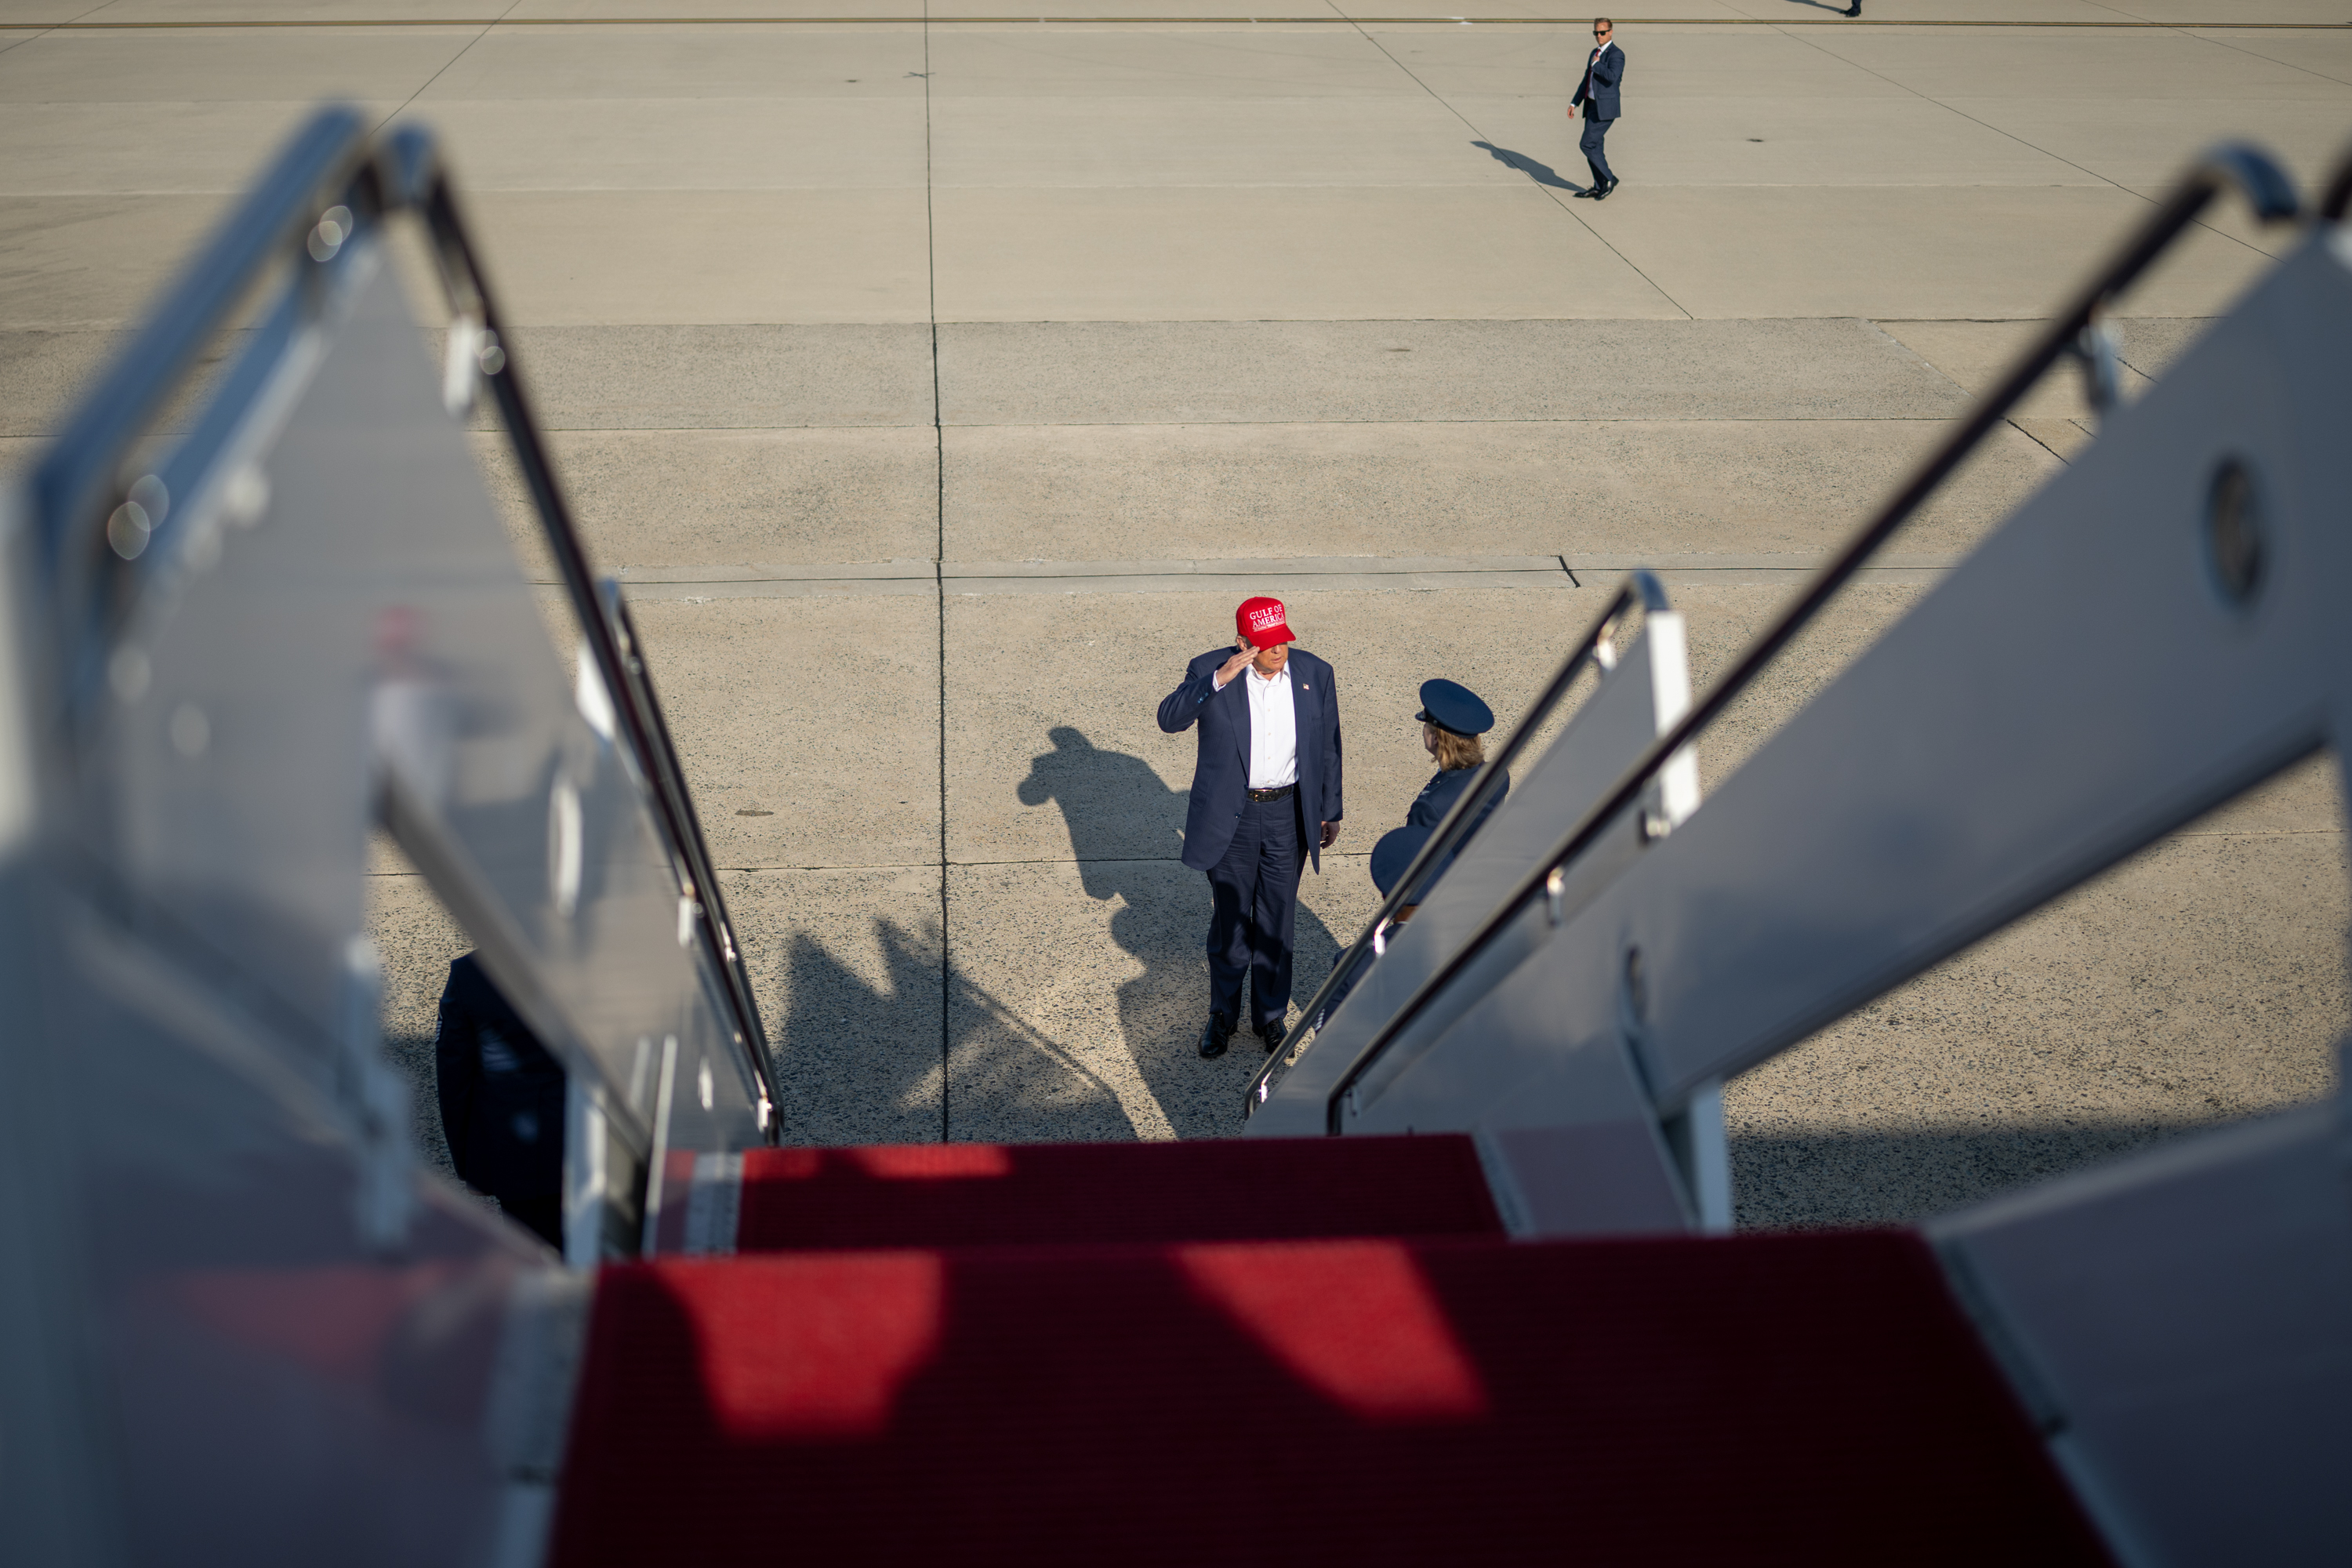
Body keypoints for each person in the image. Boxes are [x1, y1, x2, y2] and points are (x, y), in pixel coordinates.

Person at [1156, 596, 1344, 1058]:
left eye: (1282, 638)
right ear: (1242, 643)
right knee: (1231, 921)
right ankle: (1223, 1013)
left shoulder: (1314, 673)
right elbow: (1169, 719)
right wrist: (1219, 680)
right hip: (1233, 818)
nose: (1277, 650)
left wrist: (1329, 809)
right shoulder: (1210, 670)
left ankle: (1270, 1017)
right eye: (1265, 643)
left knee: (1277, 920)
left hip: (1287, 814)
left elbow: (1329, 747)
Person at [434, 951, 567, 1247]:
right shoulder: (587, 960)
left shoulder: (470, 973)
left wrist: (469, 1166)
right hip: (588, 1134)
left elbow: (454, 1076)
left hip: (517, 1150)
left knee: (536, 1260)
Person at [1570, 17, 1624, 201]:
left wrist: (1596, 64)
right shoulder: (1595, 52)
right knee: (1595, 147)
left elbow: (1612, 76)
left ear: (1610, 32)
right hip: (1591, 107)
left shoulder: (1616, 54)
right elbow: (1586, 80)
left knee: (1586, 144)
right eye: (1596, 33)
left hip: (1606, 109)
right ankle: (1598, 185)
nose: (1599, 36)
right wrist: (1574, 103)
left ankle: (1609, 178)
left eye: (1602, 32)